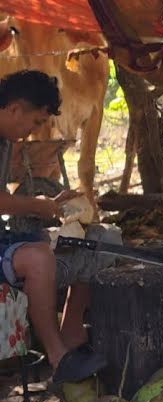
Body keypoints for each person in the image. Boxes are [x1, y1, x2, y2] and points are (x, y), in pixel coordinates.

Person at [0, 70, 109, 383]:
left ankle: (72, 331)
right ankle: (58, 358)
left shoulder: (5, 141)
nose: (33, 130)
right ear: (15, 108)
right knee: (38, 257)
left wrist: (53, 204)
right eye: (35, 122)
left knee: (95, 239)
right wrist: (36, 204)